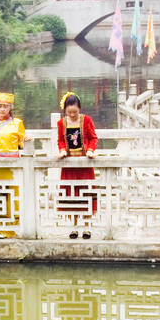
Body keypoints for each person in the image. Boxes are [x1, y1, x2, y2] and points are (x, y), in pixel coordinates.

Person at [0, 92, 26, 237]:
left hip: (11, 166)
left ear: (10, 108)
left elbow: (22, 143)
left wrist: (27, 140)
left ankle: (10, 228)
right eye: (0, 106)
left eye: (5, 107)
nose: (2, 109)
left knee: (11, 195)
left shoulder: (17, 123)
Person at [57, 91, 98, 239]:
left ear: (79, 109)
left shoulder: (87, 120)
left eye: (75, 112)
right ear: (65, 111)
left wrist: (91, 150)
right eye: (69, 112)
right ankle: (73, 227)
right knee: (71, 195)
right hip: (69, 165)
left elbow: (93, 138)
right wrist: (62, 150)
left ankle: (87, 227)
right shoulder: (61, 123)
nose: (72, 115)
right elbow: (60, 140)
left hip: (84, 164)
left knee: (86, 194)